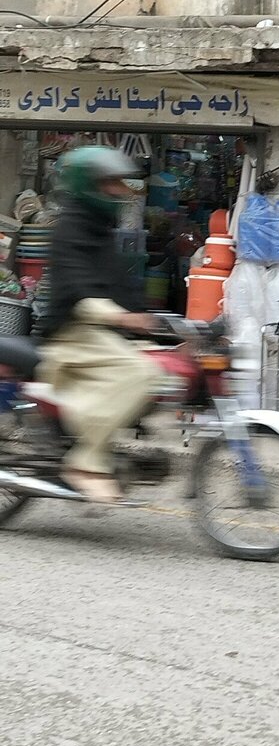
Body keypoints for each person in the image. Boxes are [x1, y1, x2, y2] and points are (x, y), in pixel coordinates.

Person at [39, 146, 160, 504]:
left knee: (163, 369)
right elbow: (79, 291)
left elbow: (120, 284)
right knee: (139, 373)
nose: (121, 191)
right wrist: (120, 317)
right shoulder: (69, 230)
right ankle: (85, 462)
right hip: (69, 334)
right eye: (111, 184)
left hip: (96, 331)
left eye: (121, 183)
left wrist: (156, 323)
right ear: (87, 185)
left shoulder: (99, 228)